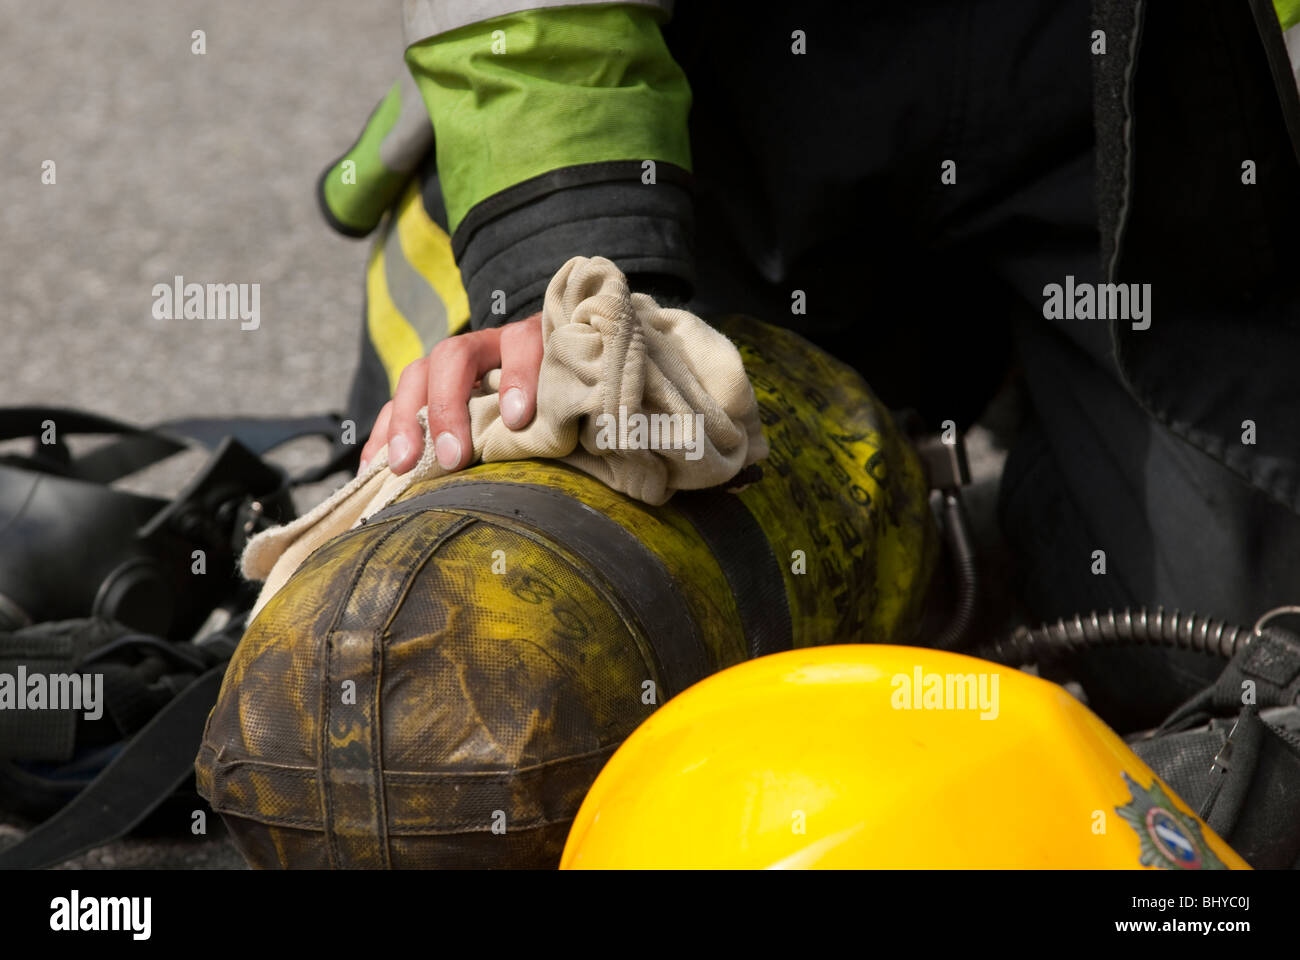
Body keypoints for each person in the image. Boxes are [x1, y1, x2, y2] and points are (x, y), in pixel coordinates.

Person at [329, 0, 1300, 731]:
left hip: (1102, 72)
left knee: (1235, 646)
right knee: (484, 637)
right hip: (679, 90)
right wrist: (563, 267)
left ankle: (968, 522)